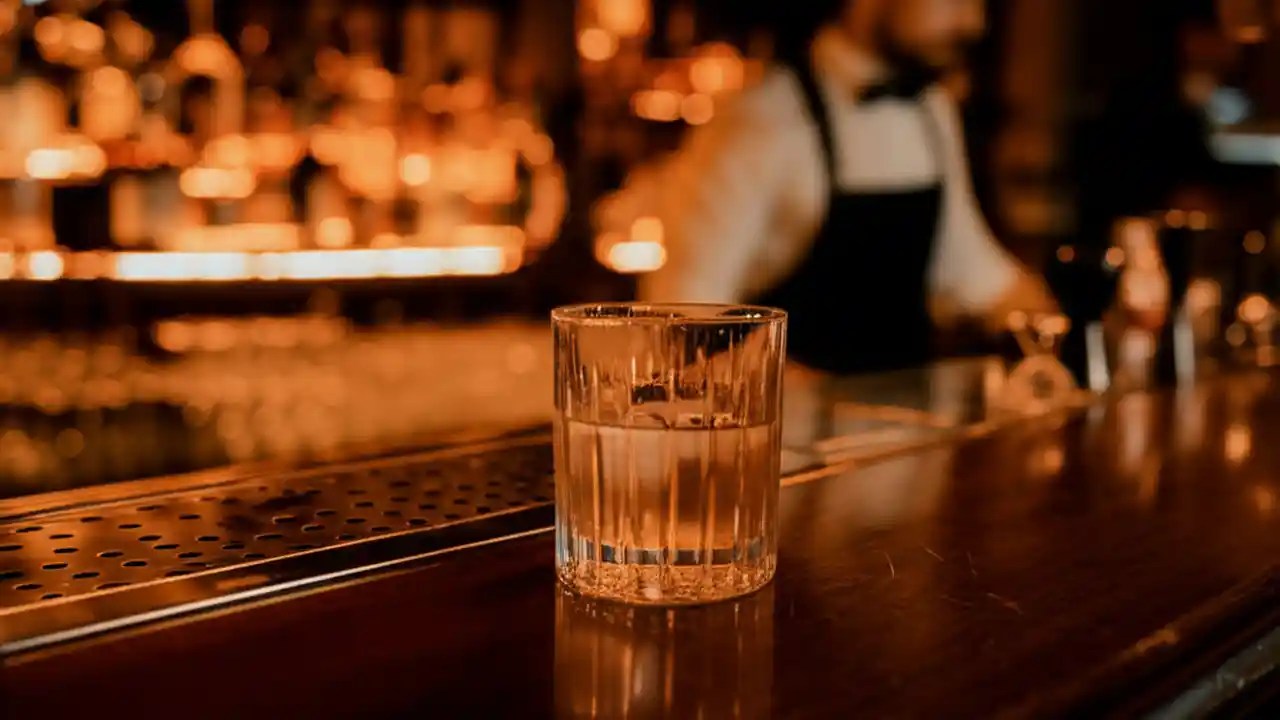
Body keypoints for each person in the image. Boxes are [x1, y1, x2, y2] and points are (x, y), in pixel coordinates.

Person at [606, 0, 1057, 374]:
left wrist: (1067, 323)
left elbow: (970, 272)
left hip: (910, 452)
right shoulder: (761, 121)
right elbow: (681, 322)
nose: (972, 21)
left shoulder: (932, 110)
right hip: (799, 460)